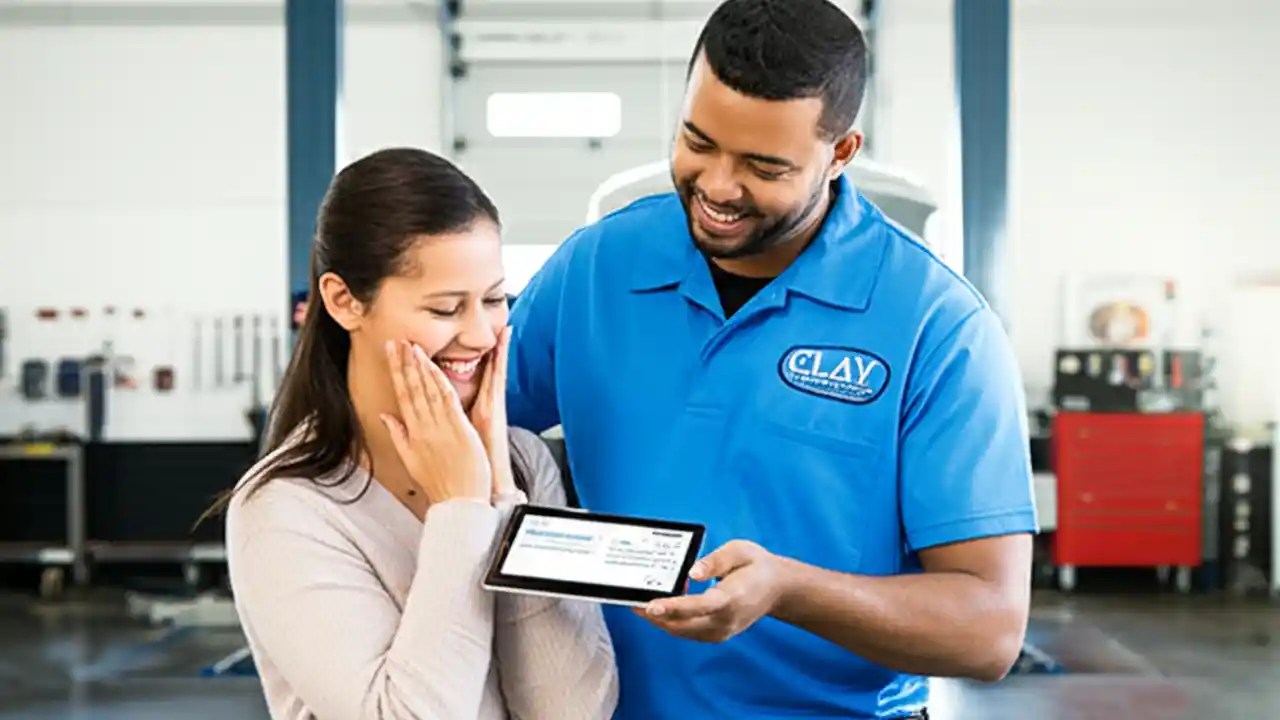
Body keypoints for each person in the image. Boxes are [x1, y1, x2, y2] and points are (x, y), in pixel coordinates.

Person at [506, 1, 1037, 718]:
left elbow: (988, 630)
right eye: (698, 141)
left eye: (763, 165)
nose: (719, 186)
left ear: (841, 152)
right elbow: (452, 429)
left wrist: (787, 589)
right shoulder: (595, 269)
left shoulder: (937, 327)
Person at [218, 148, 618, 720]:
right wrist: (460, 511)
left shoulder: (524, 462)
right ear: (343, 301)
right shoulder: (287, 508)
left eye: (494, 299)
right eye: (444, 309)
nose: (481, 335)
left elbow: (572, 710)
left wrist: (503, 502)